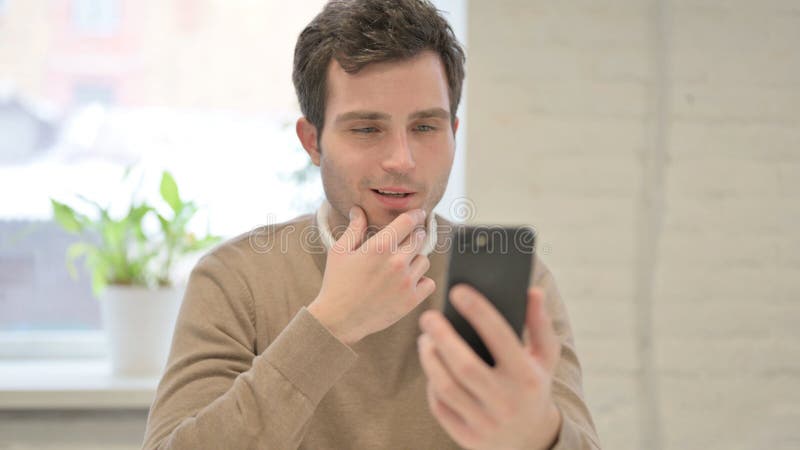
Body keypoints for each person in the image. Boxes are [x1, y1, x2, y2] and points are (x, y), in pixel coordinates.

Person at [142, 0, 601, 448]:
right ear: (312, 141)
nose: (401, 160)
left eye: (425, 128)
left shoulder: (514, 280)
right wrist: (330, 325)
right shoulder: (235, 280)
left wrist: (538, 436)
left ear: (453, 134)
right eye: (366, 129)